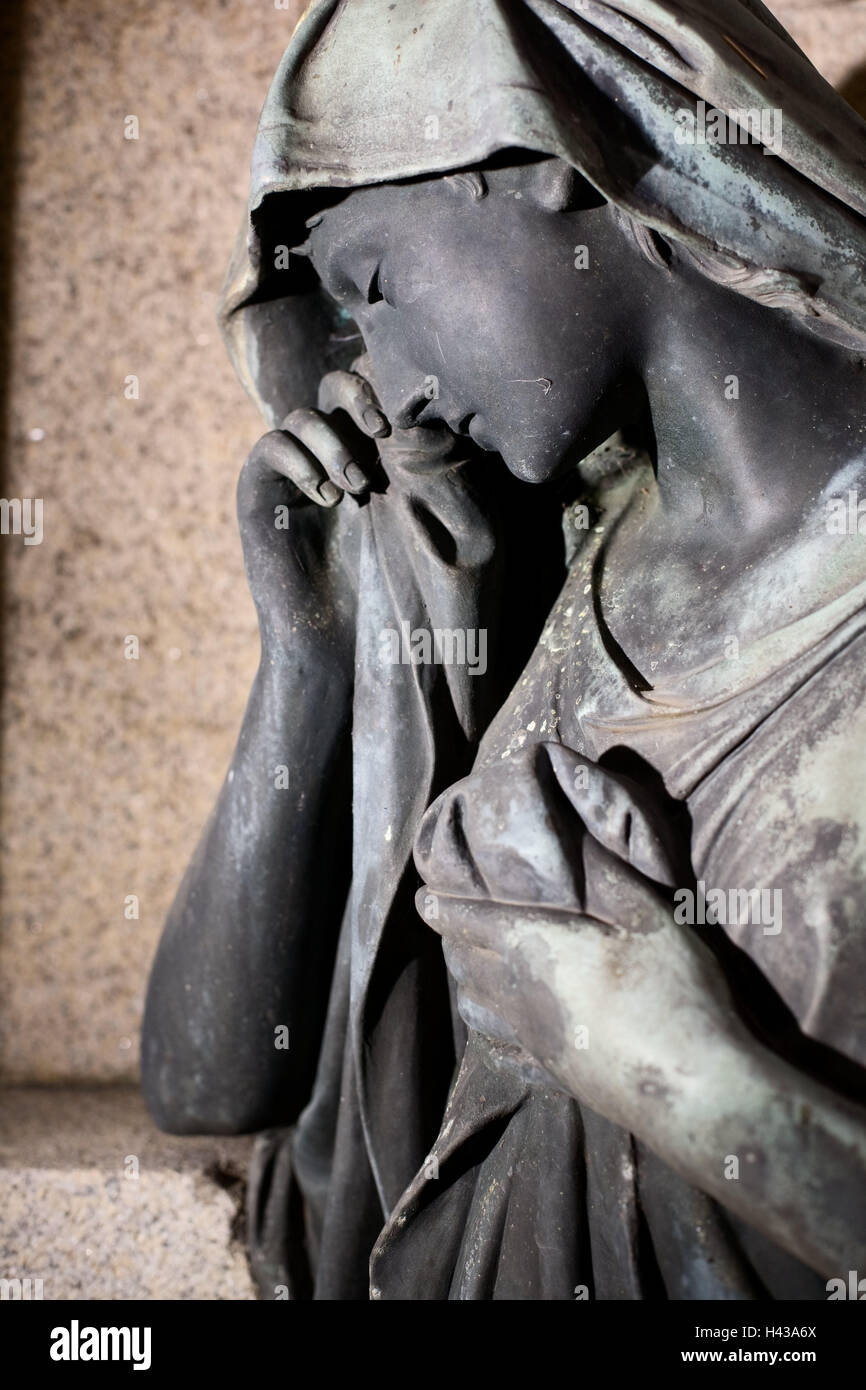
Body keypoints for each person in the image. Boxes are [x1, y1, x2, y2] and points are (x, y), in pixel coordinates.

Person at [143, 0, 866, 1298]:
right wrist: (307, 655)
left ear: (538, 166)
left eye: (372, 288)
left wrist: (676, 1068)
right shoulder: (531, 572)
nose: (382, 378)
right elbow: (209, 1078)